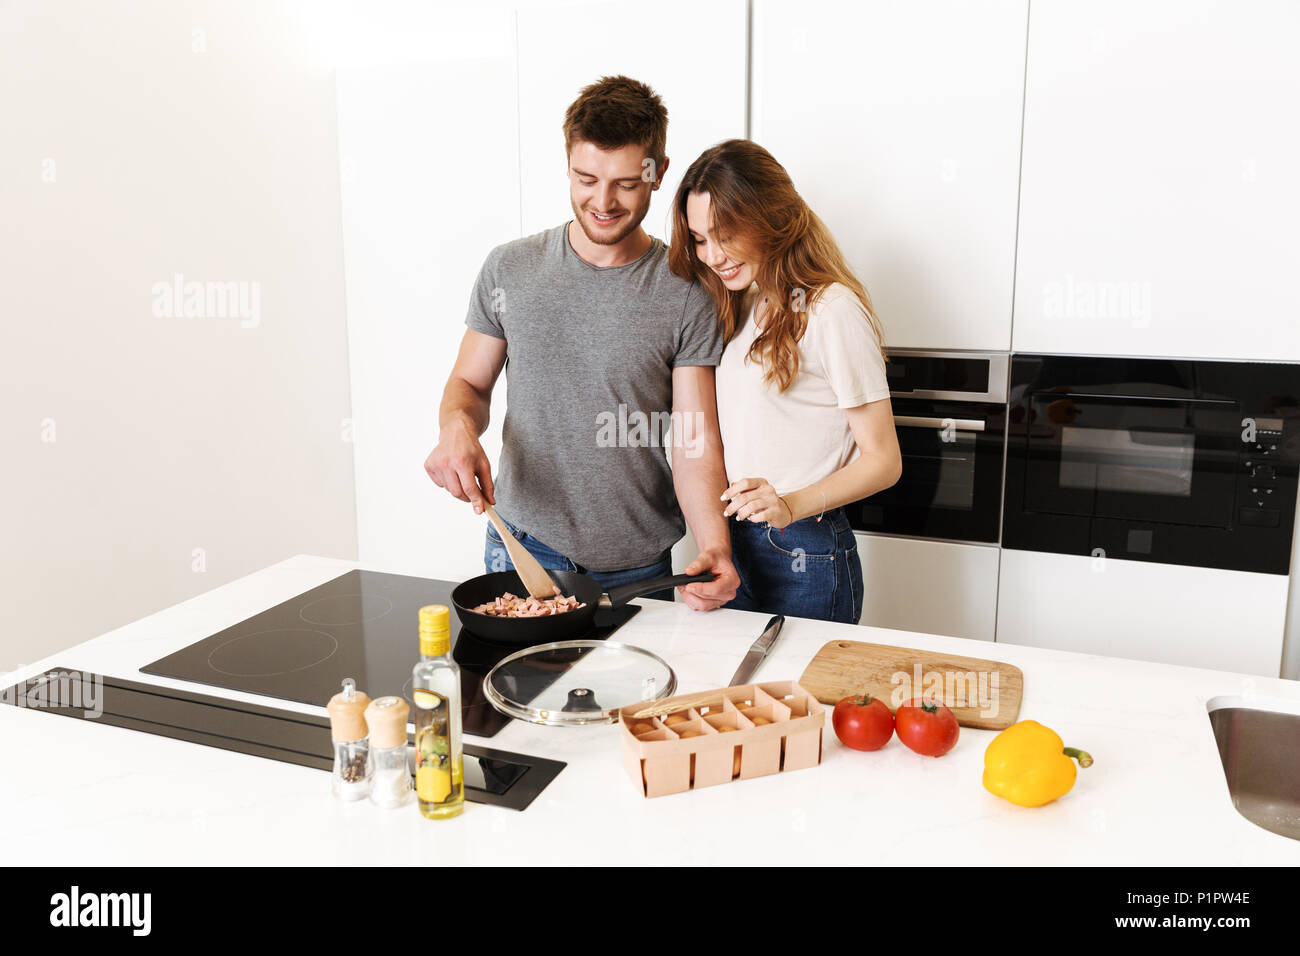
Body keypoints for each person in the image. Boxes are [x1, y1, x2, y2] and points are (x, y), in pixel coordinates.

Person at [424, 76, 740, 609]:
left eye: (624, 183)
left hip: (640, 569)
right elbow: (469, 383)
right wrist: (456, 427)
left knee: (635, 698)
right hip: (522, 552)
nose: (603, 201)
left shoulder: (689, 291)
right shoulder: (511, 268)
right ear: (567, 164)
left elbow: (693, 439)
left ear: (658, 173)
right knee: (511, 694)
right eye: (585, 178)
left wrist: (715, 545)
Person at [667, 139, 902, 623]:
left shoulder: (831, 309)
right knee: (742, 696)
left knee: (803, 697)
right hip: (738, 542)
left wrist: (790, 505)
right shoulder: (748, 307)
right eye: (699, 238)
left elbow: (884, 461)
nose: (712, 254)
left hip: (805, 547)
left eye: (725, 233)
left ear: (770, 217)